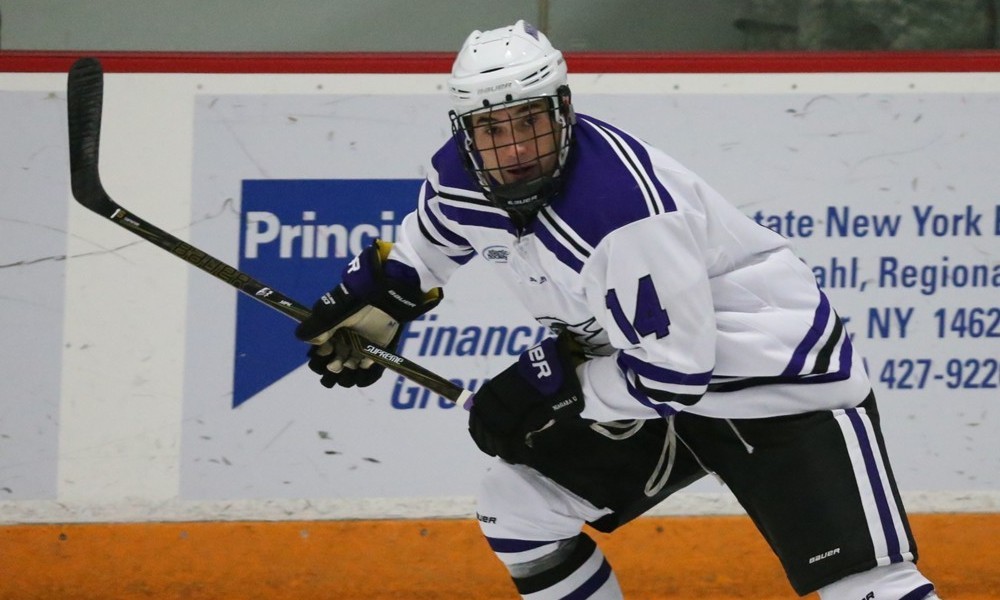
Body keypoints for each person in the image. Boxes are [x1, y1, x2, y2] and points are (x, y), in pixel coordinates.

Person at [294, 20, 941, 600]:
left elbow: (674, 376)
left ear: (564, 109)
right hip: (645, 380)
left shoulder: (620, 214)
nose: (514, 147)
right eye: (492, 128)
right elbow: (426, 245)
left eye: (530, 122)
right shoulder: (462, 177)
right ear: (465, 132)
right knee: (518, 510)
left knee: (867, 585)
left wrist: (550, 389)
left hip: (772, 382)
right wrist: (379, 297)